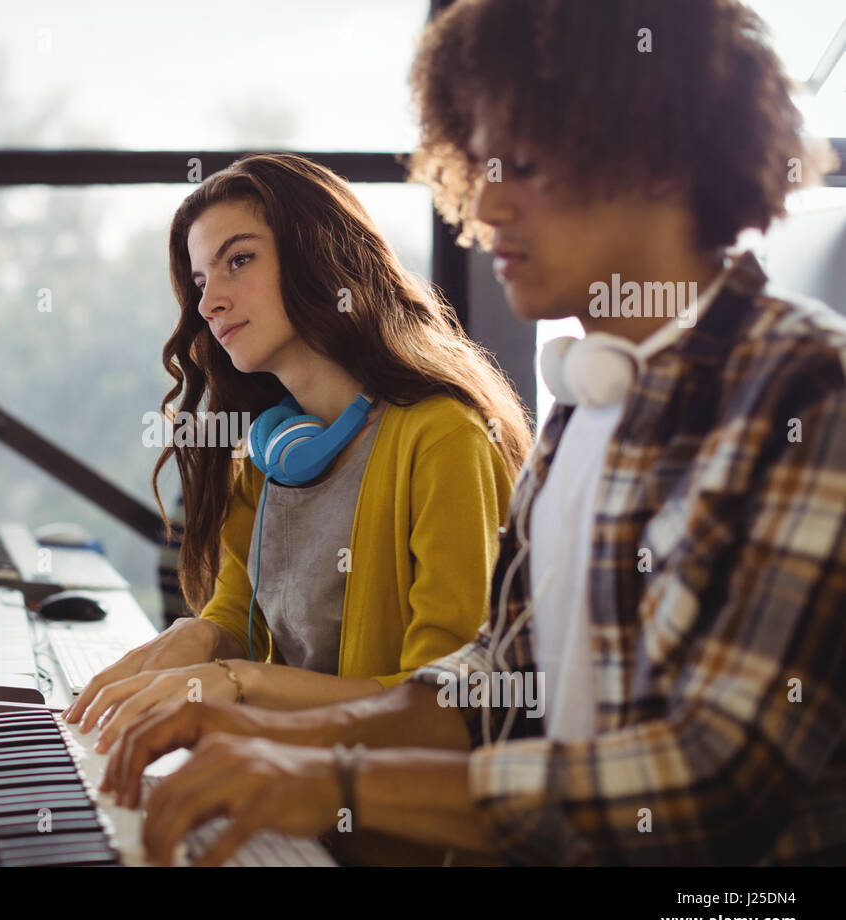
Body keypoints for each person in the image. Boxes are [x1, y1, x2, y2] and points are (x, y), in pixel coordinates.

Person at [99, 0, 846, 866]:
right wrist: (258, 733)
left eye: (520, 163)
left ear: (656, 152)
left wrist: (334, 782)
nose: (484, 203)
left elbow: (710, 781)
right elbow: (493, 686)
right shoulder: (590, 401)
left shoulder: (803, 388)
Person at [64, 153, 530, 752]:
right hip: (280, 797)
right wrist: (202, 638)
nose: (209, 305)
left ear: (321, 253)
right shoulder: (271, 448)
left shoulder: (445, 439)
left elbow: (442, 711)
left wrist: (236, 682)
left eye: (239, 260)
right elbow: (239, 619)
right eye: (202, 282)